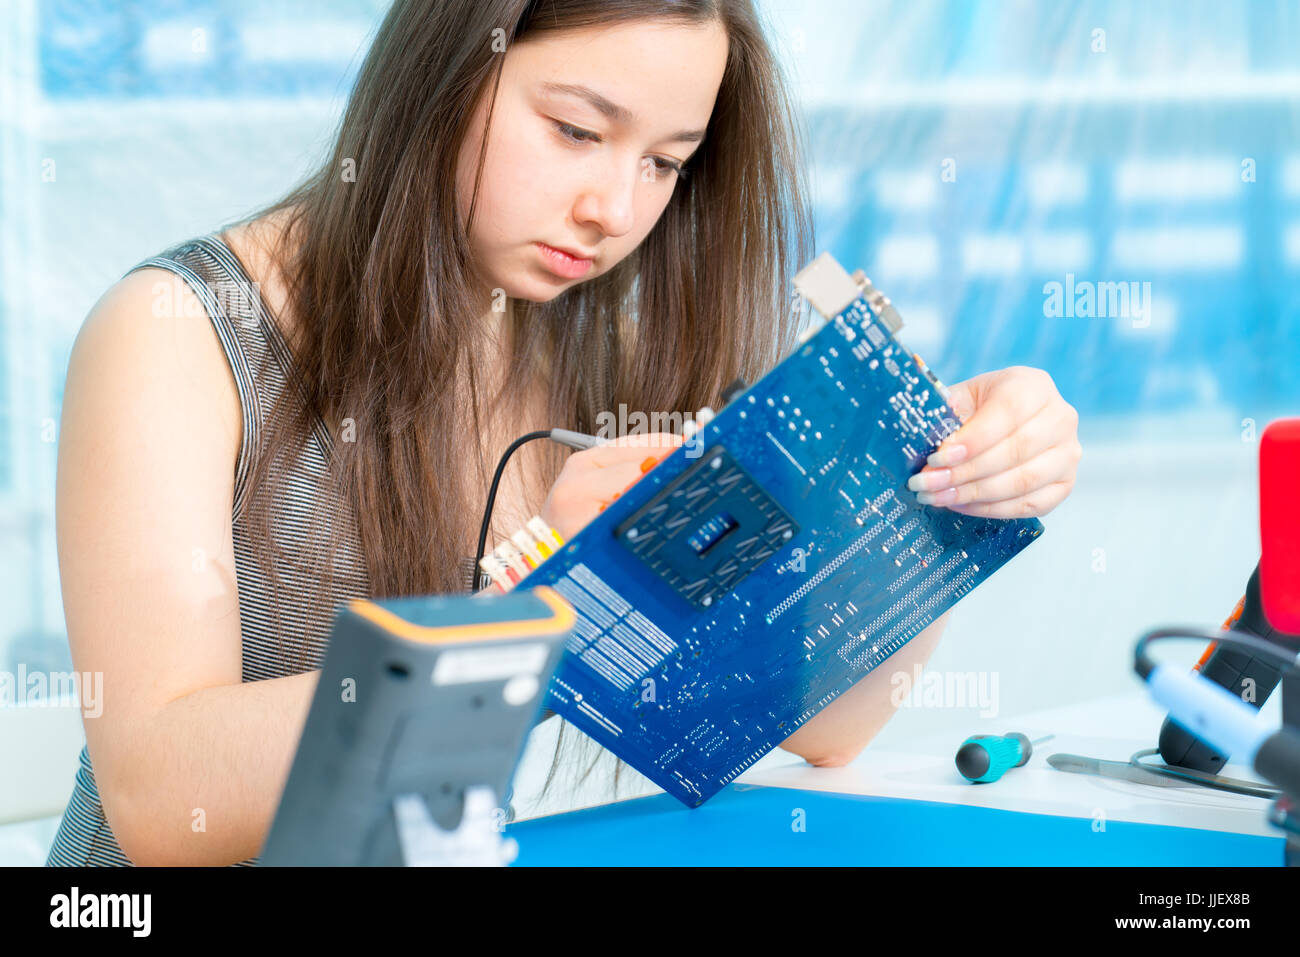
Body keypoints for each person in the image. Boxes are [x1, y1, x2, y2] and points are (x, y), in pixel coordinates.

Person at [47, 0, 1080, 866]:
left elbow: (825, 725)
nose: (612, 209)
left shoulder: (625, 349)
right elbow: (162, 801)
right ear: (442, 71)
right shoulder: (181, 331)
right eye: (577, 132)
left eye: (666, 162)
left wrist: (939, 495)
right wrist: (547, 613)